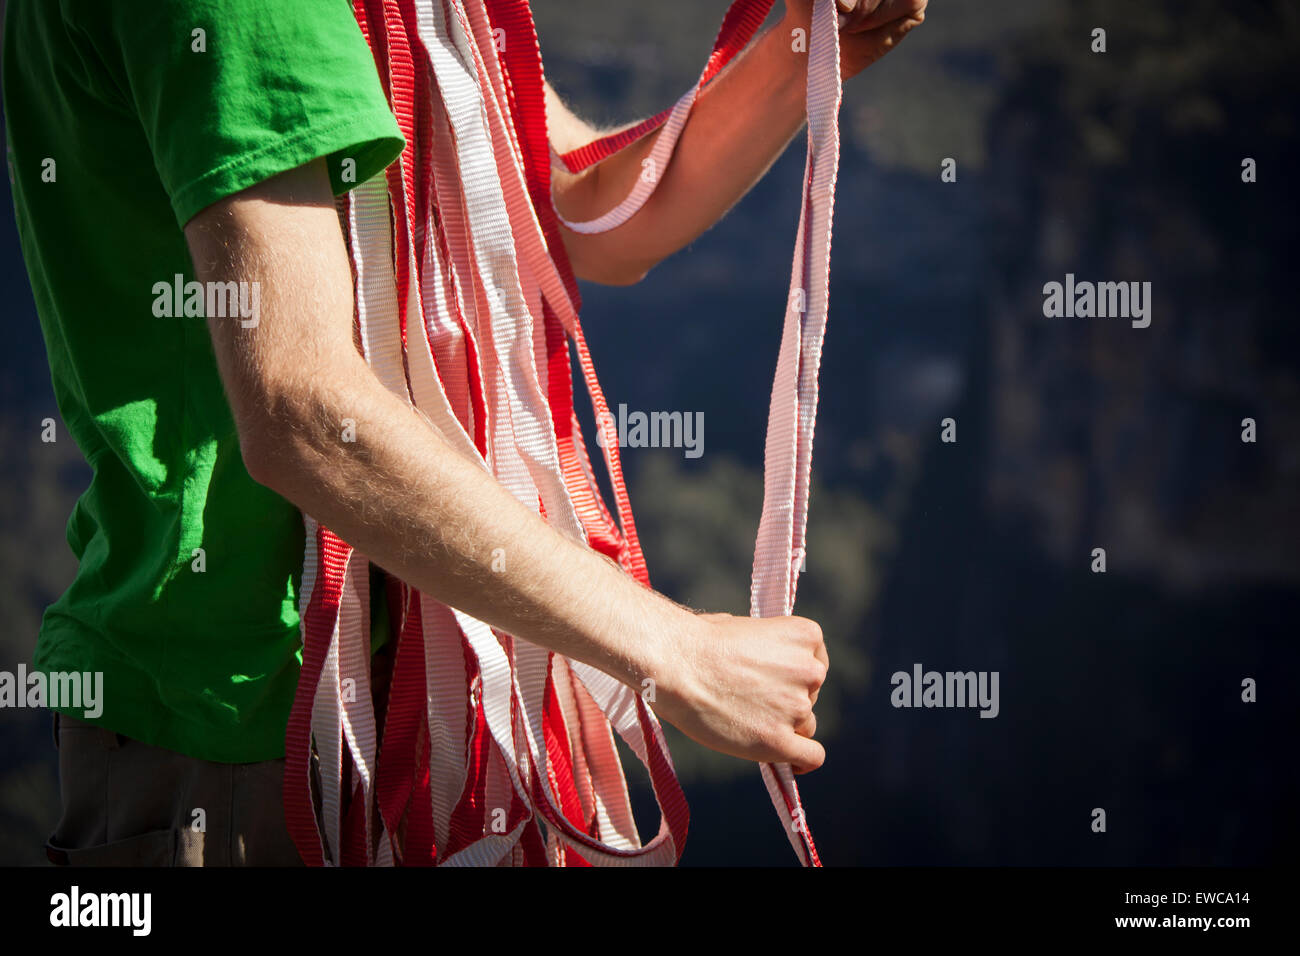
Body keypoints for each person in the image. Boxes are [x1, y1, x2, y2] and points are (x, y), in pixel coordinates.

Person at [2, 0, 926, 865]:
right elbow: (303, 411)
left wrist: (812, 45)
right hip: (258, 743)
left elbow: (588, 214)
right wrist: (674, 653)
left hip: (399, 725)